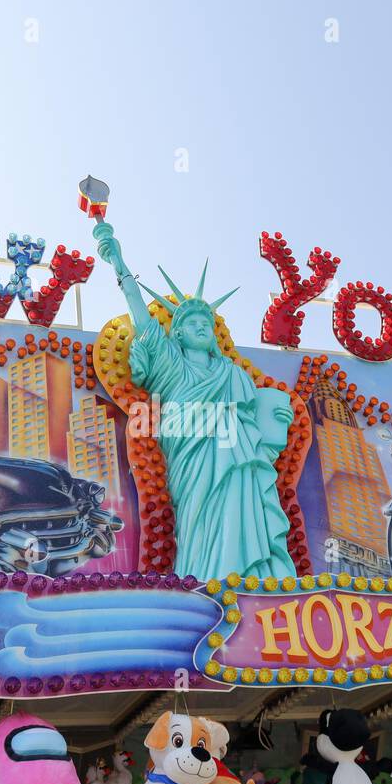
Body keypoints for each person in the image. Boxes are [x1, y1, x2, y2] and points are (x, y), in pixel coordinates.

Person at [92, 221, 296, 581]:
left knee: (244, 511)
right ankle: (203, 579)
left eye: (206, 321)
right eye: (191, 323)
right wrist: (119, 265)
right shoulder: (170, 366)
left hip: (238, 462)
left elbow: (256, 427)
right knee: (198, 521)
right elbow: (141, 316)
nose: (201, 326)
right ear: (178, 334)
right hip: (192, 458)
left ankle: (254, 578)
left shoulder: (233, 374)